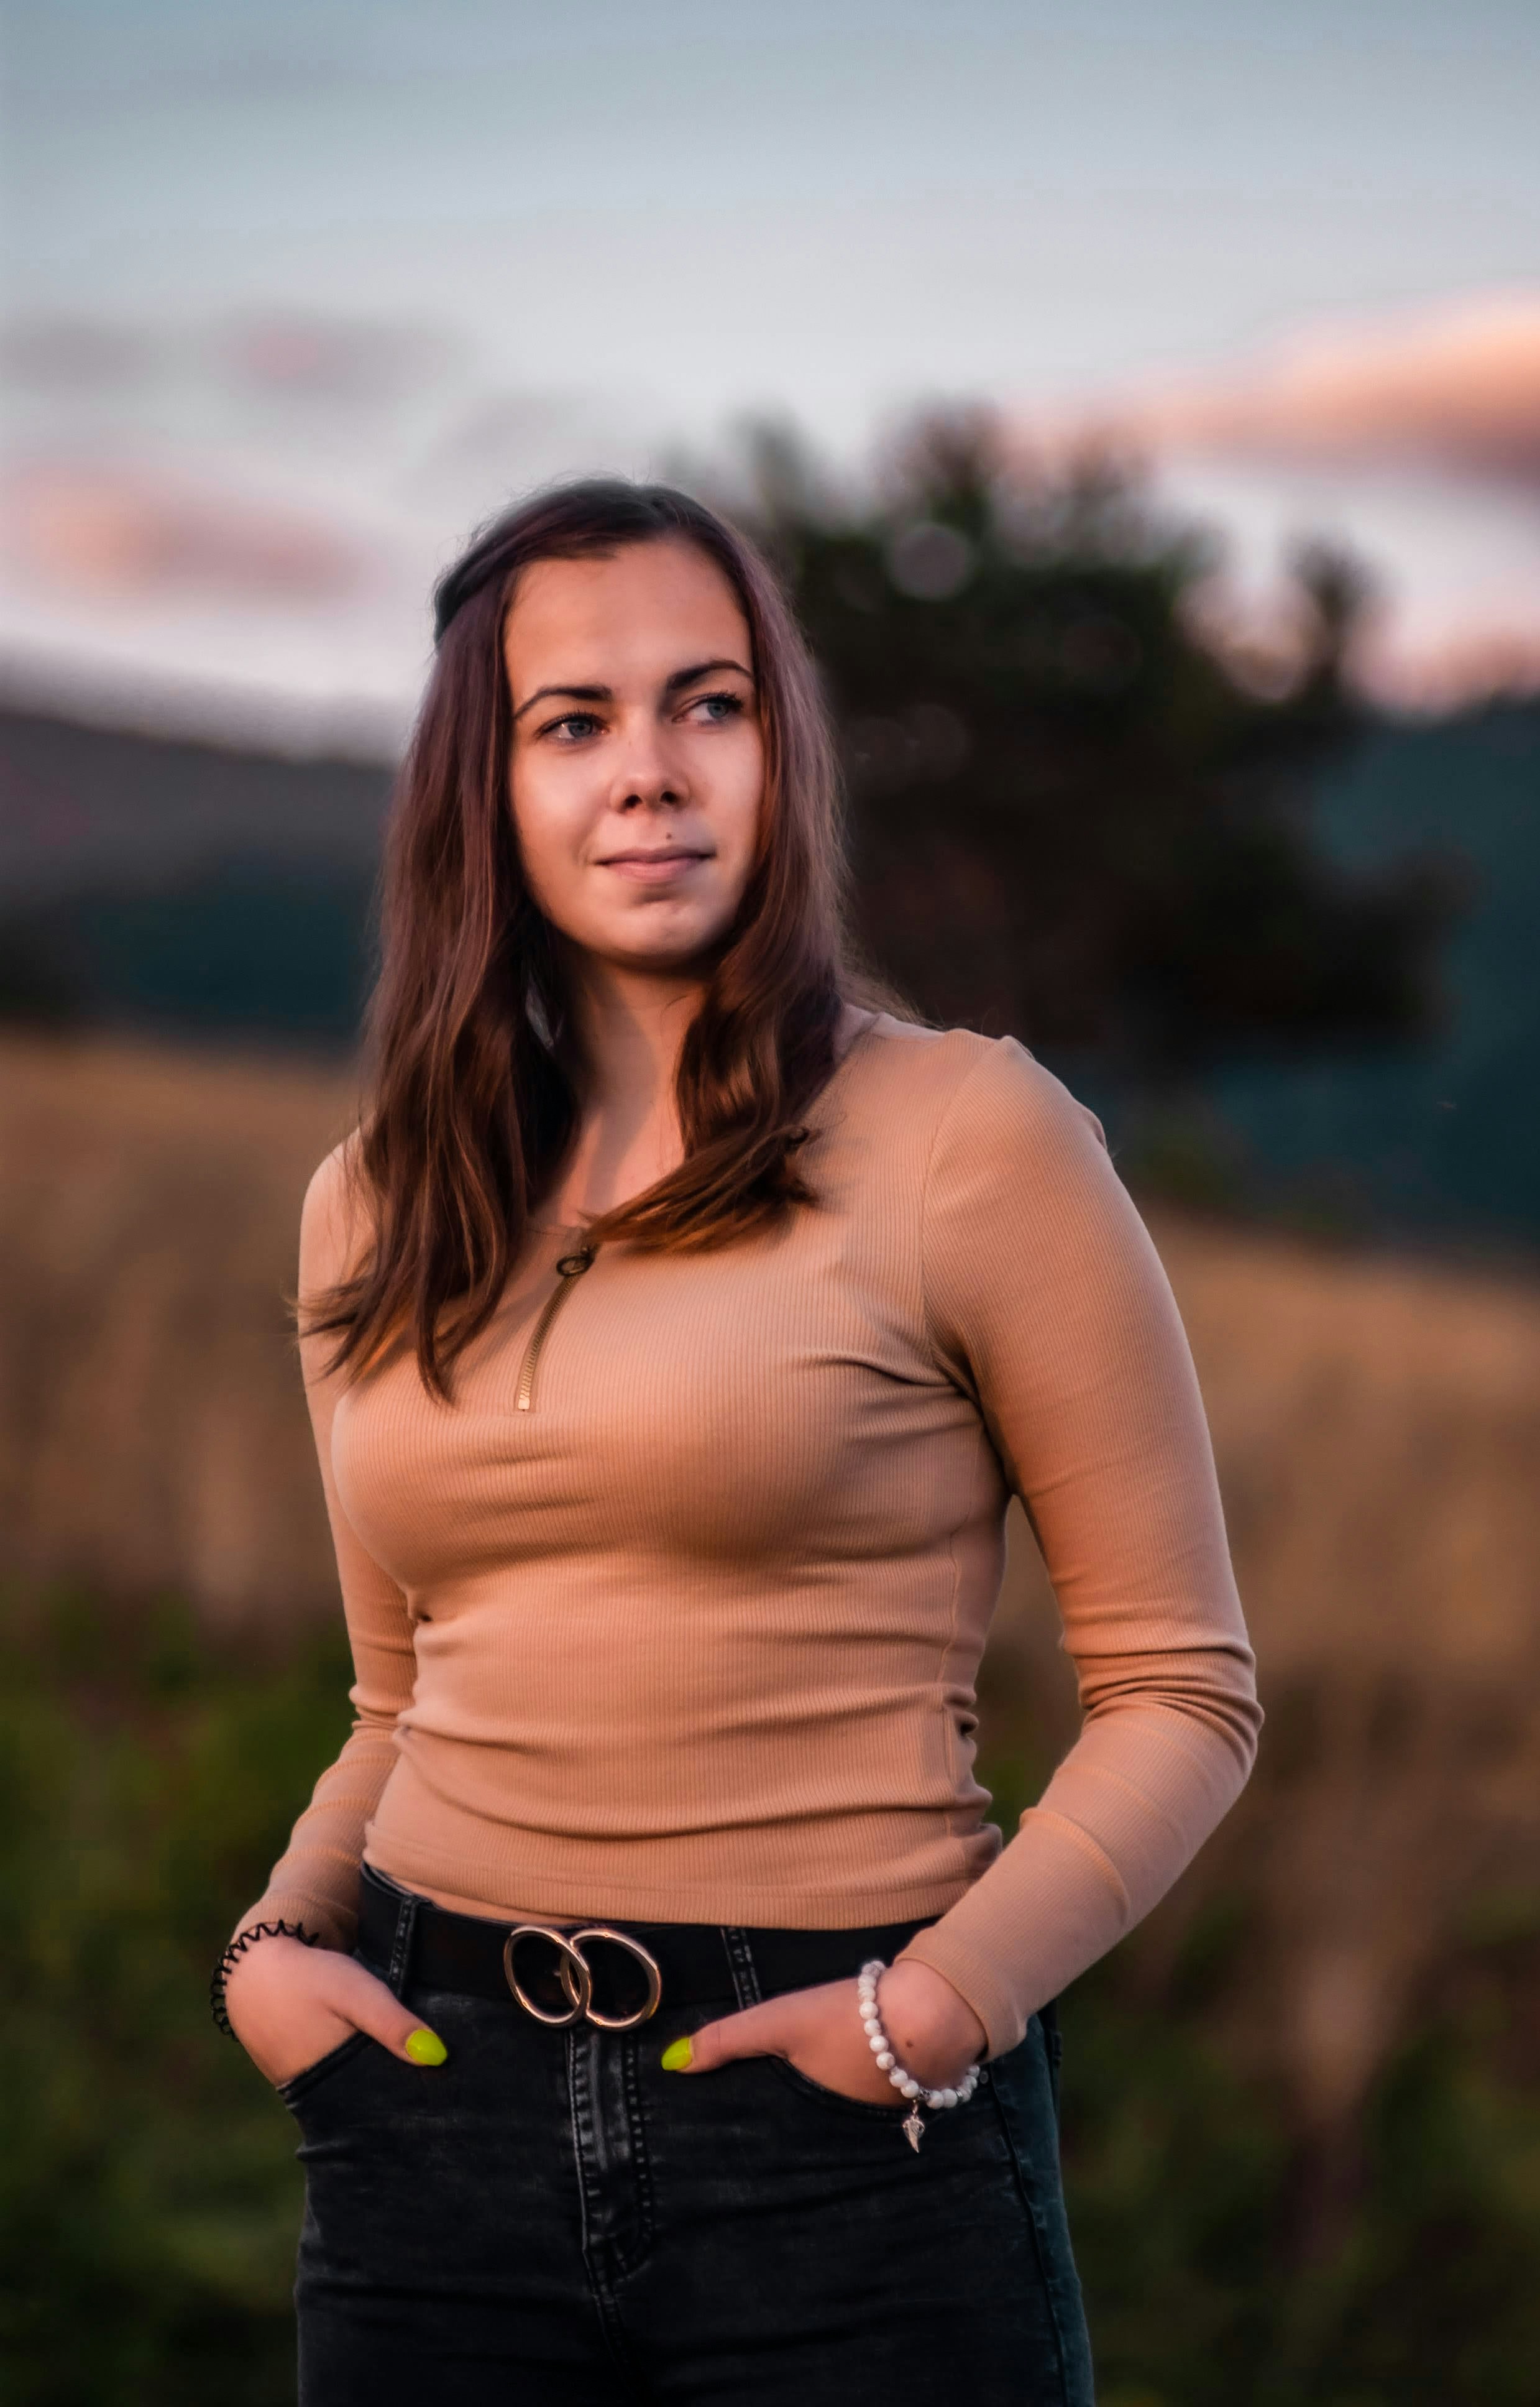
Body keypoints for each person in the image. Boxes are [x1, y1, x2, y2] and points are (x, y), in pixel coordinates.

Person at [214, 477, 1261, 2407]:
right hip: (430, 2124)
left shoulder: (967, 1137)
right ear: (487, 792)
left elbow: (1183, 1689)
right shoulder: (369, 1203)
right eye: (575, 723)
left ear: (780, 755)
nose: (651, 774)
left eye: (712, 704)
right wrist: (277, 1955)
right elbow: (399, 1698)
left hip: (845, 2138)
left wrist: (938, 2008)